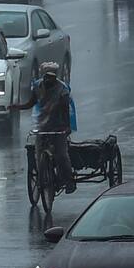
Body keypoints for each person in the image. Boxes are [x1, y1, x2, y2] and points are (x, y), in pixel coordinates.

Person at [31, 61, 77, 194]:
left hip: (59, 125)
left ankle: (69, 181)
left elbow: (66, 111)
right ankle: (41, 179)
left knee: (62, 155)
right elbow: (35, 108)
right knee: (38, 152)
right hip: (43, 125)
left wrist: (67, 127)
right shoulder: (37, 86)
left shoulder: (63, 90)